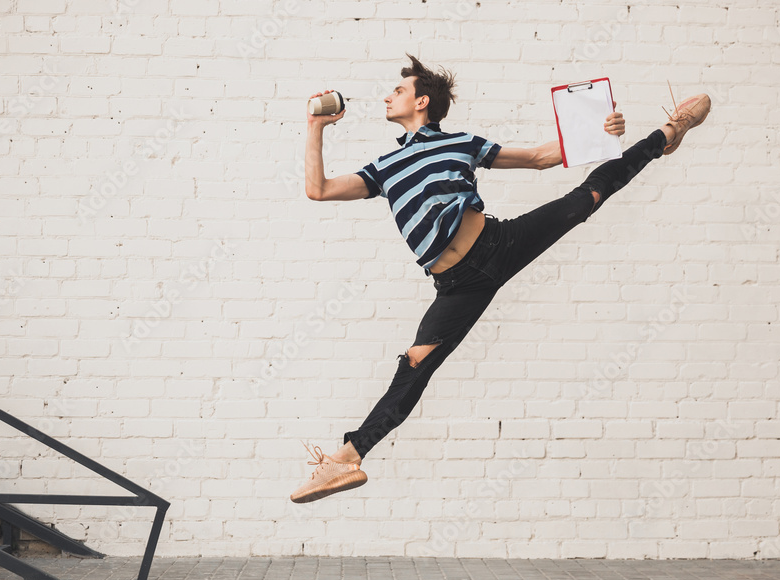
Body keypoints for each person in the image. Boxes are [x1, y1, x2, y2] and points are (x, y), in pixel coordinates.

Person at [291, 54, 710, 503]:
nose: (388, 96)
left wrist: (597, 132)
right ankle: (346, 458)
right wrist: (315, 127)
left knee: (586, 198)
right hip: (458, 287)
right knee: (414, 367)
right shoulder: (385, 167)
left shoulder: (459, 143)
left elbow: (539, 158)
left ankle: (668, 132)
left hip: (499, 243)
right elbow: (319, 189)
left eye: (398, 90)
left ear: (422, 101)